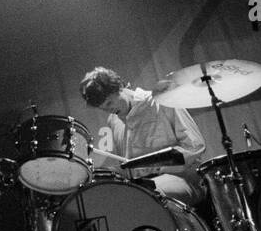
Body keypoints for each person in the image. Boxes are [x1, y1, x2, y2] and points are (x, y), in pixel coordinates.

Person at [79, 66, 206, 207]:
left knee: (142, 197)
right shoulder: (113, 121)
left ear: (119, 87)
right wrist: (102, 173)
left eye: (109, 102)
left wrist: (158, 167)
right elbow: (129, 168)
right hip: (143, 186)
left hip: (184, 178)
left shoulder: (161, 101)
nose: (109, 110)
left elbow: (195, 146)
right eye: (104, 108)